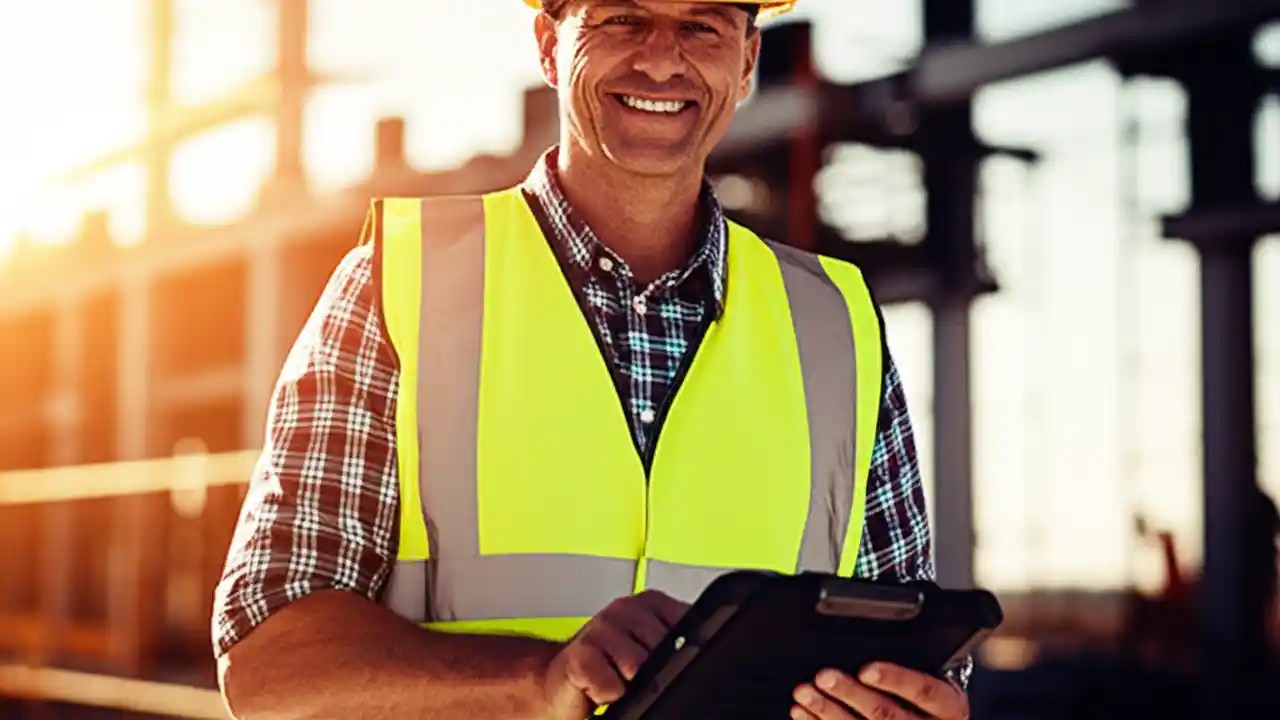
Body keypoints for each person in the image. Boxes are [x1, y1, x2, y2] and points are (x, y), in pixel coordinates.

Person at [212, 2, 971, 718]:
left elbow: (914, 657)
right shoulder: (402, 288)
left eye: (703, 26)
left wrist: (909, 704)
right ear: (550, 45)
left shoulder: (835, 326)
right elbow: (267, 661)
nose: (662, 60)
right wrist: (538, 678)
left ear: (746, 63)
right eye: (621, 19)